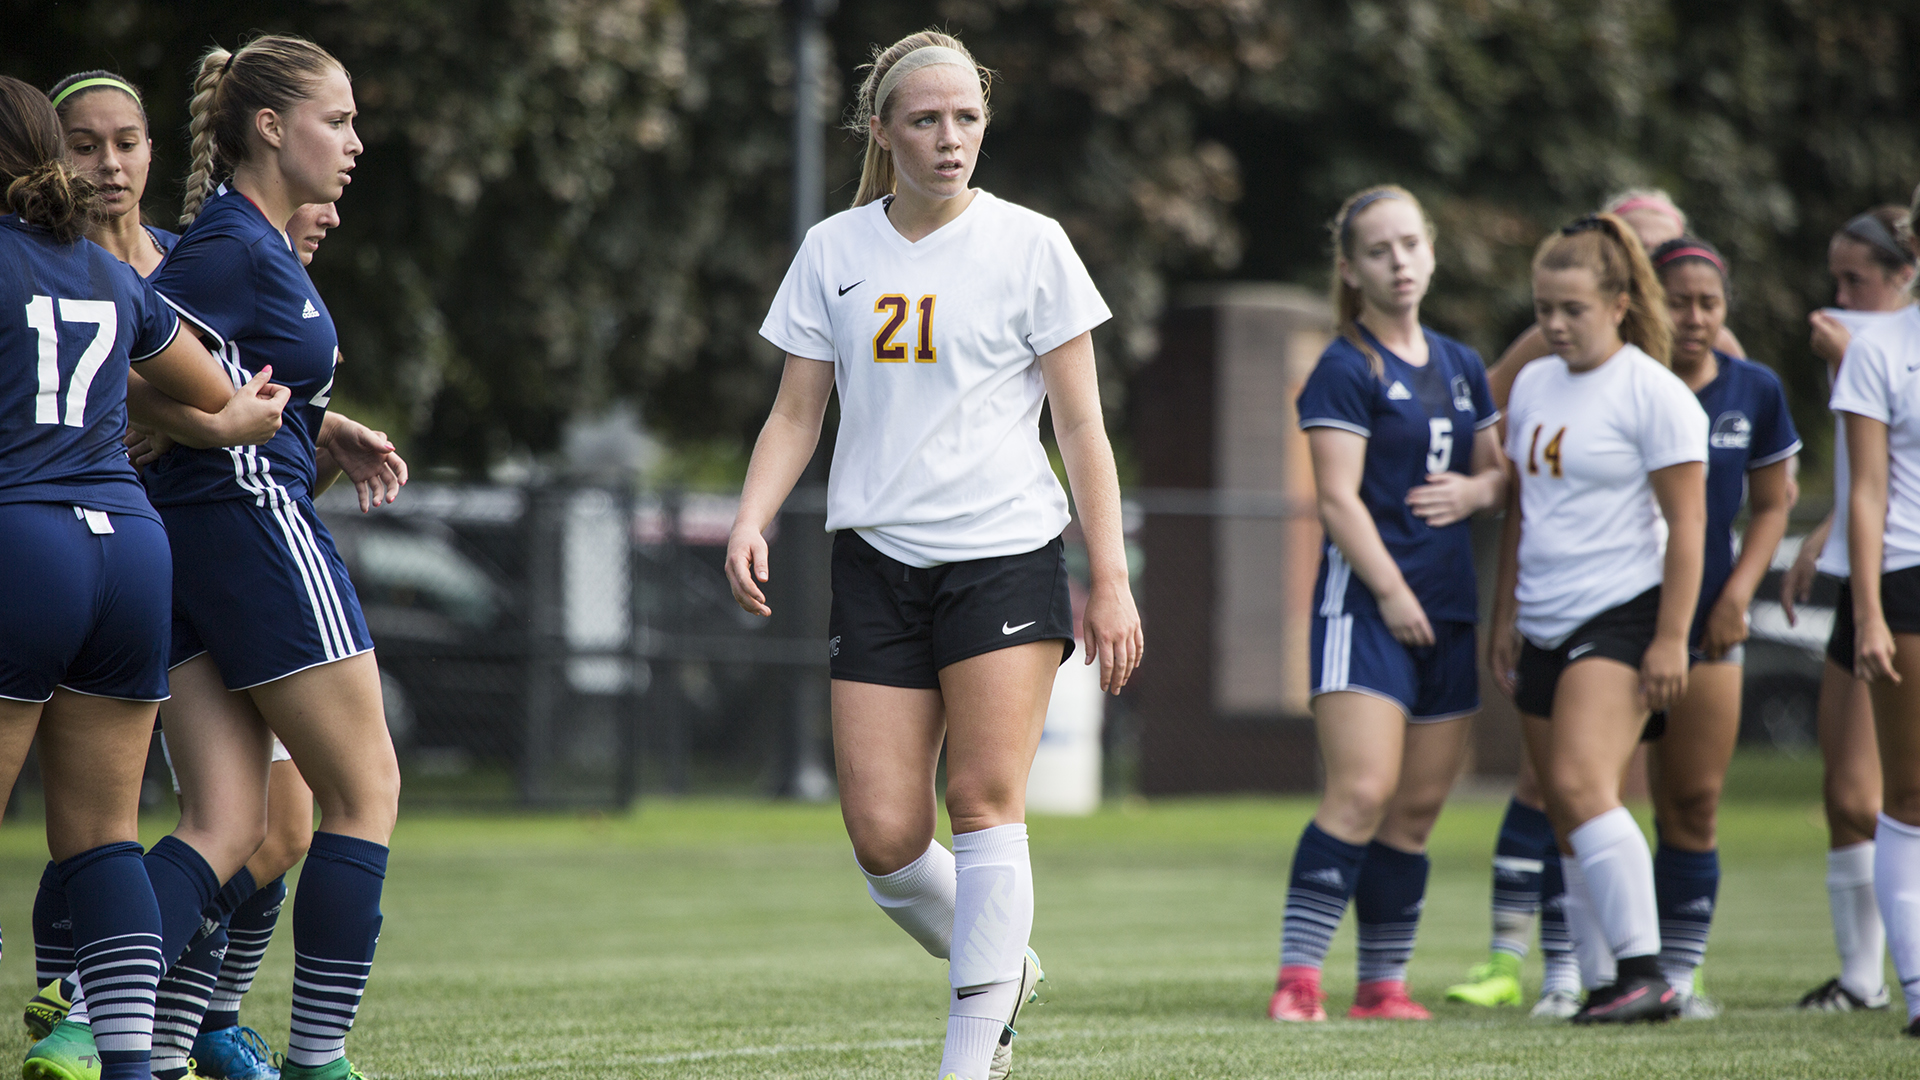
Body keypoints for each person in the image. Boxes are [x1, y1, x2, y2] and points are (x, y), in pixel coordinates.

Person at [725, 29, 1142, 1080]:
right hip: (875, 562)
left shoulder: (1035, 244)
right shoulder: (834, 250)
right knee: (883, 837)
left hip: (1005, 553)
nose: (950, 139)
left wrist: (1112, 577)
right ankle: (1004, 963)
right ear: (883, 131)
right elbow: (794, 412)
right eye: (926, 120)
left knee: (985, 802)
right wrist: (750, 517)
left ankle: (972, 1051)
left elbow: (1082, 430)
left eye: (966, 118)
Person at [104, 35, 401, 1080]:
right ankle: (319, 1062)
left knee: (231, 823)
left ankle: (108, 1034)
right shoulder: (234, 243)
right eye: (339, 119)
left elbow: (196, 376)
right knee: (362, 797)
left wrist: (318, 429)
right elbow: (135, 373)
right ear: (269, 128)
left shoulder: (250, 242)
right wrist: (227, 430)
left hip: (193, 529)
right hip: (242, 521)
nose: (356, 142)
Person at [0, 74, 286, 1080]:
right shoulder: (110, 274)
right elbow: (217, 390)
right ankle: (126, 1064)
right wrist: (248, 422)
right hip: (128, 552)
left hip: (20, 542)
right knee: (104, 840)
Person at [1448, 190, 1734, 1018]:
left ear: (1618, 303)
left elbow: (1689, 527)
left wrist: (1673, 639)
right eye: (1544, 309)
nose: (1558, 323)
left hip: (1623, 616)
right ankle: (1609, 979)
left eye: (1573, 308)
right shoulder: (1534, 384)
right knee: (1571, 810)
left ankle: (1649, 973)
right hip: (1541, 617)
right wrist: (1506, 616)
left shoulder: (1653, 392)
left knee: (1577, 783)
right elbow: (1524, 507)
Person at [1265, 186, 1504, 1023]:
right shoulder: (1346, 366)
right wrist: (1394, 591)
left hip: (1450, 611)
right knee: (1362, 790)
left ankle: (1383, 986)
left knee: (1417, 810)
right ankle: (1298, 982)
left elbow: (1497, 471)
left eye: (1410, 245)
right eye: (1379, 250)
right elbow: (1337, 499)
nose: (1399, 262)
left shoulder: (1462, 364)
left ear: (1431, 253)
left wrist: (1476, 490)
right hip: (1367, 610)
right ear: (1351, 269)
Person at [1636, 236, 1799, 1017]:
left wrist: (1738, 592)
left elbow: (1773, 504)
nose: (1693, 317)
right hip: (1617, 619)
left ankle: (1680, 973)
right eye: (1678, 299)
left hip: (1708, 627)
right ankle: (1583, 972)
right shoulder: (1620, 386)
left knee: (1693, 802)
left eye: (1709, 302)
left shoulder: (1754, 389)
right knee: (1592, 799)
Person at [1780, 204, 1918, 1014]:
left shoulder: (1877, 348)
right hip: (1870, 581)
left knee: (1894, 794)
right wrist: (1823, 538)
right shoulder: (1870, 355)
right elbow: (1866, 477)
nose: (1837, 294)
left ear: (1904, 274)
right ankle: (1862, 977)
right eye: (1834, 278)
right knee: (1848, 792)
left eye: (1855, 279)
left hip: (1897, 579)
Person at [1829, 186, 1920, 1040]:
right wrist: (1867, 613)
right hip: (1909, 575)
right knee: (1910, 791)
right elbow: (1864, 490)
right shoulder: (1879, 347)